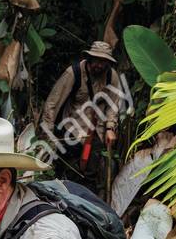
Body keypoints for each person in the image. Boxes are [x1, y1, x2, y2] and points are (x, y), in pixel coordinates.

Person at [37, 40, 125, 174]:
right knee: (68, 168)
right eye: (96, 60)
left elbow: (113, 105)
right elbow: (52, 104)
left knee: (96, 168)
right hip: (72, 129)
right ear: (90, 58)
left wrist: (110, 127)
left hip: (97, 131)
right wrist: (48, 135)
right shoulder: (74, 73)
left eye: (103, 62)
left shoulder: (111, 76)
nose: (99, 65)